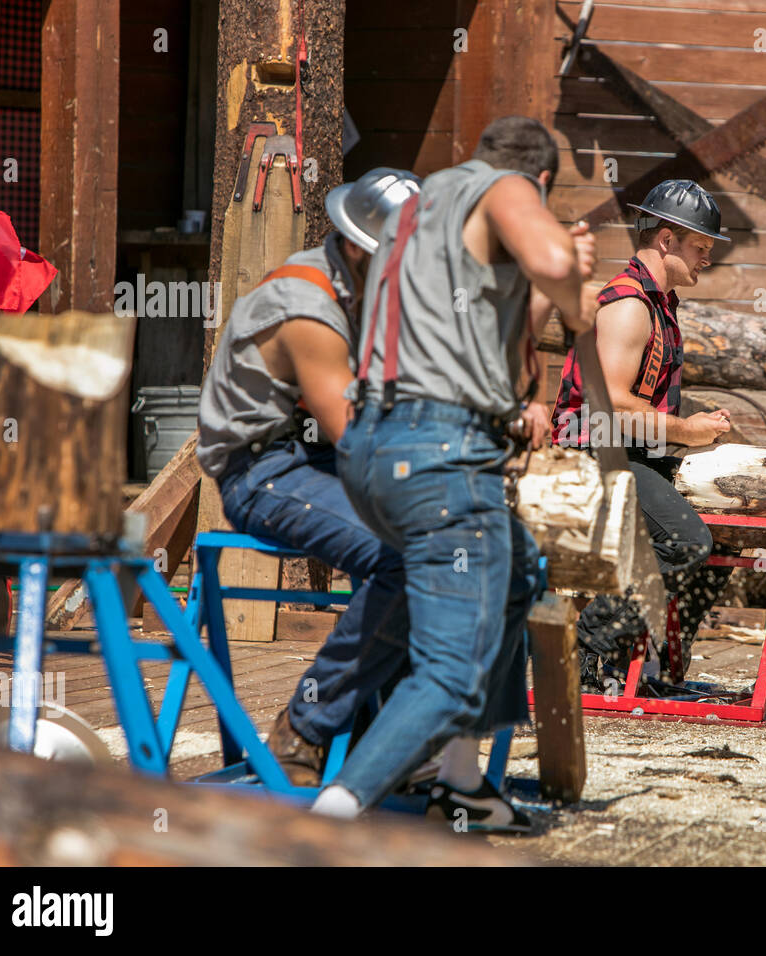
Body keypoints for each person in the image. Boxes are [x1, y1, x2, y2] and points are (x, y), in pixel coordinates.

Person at [312, 116, 595, 829]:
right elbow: (558, 271)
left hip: (375, 447)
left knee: (519, 571)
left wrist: (542, 293)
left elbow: (493, 340)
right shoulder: (503, 186)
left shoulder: (422, 208)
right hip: (438, 457)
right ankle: (328, 816)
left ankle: (463, 782)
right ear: (540, 182)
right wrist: (565, 265)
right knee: (447, 672)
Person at [196, 168, 421, 785]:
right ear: (357, 247)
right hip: (259, 470)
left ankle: (395, 736)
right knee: (405, 551)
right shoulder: (308, 304)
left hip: (321, 461)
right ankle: (305, 727)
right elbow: (356, 430)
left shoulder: (370, 288)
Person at [550, 179, 736, 691]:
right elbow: (606, 403)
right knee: (685, 540)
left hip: (625, 454)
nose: (707, 259)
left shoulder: (660, 302)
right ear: (666, 241)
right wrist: (686, 430)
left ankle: (662, 665)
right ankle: (584, 648)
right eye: (700, 247)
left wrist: (690, 427)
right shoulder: (630, 305)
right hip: (586, 456)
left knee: (722, 538)